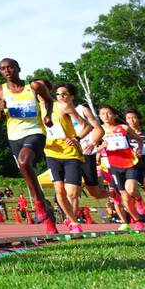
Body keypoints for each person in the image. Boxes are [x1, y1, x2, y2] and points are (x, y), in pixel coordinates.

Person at [0, 58, 56, 233]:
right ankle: (47, 217)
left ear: (18, 68)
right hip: (14, 137)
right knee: (26, 172)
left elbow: (49, 101)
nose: (7, 70)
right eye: (3, 68)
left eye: (10, 67)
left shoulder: (33, 86)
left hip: (35, 131)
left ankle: (39, 204)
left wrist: (48, 116)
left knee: (24, 162)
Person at [45, 84, 100, 234]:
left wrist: (76, 138)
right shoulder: (38, 110)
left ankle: (72, 220)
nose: (61, 96)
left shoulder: (65, 107)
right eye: (58, 94)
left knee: (72, 193)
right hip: (51, 154)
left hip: (71, 155)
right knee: (59, 192)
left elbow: (88, 126)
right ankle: (73, 221)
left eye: (64, 94)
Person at [97, 106, 145, 230]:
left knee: (130, 189)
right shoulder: (99, 130)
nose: (106, 116)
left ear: (114, 115)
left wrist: (139, 149)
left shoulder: (123, 127)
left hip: (130, 162)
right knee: (124, 197)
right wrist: (100, 147)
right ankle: (137, 219)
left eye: (109, 113)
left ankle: (139, 199)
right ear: (99, 116)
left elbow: (139, 139)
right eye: (102, 114)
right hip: (114, 166)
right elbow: (92, 148)